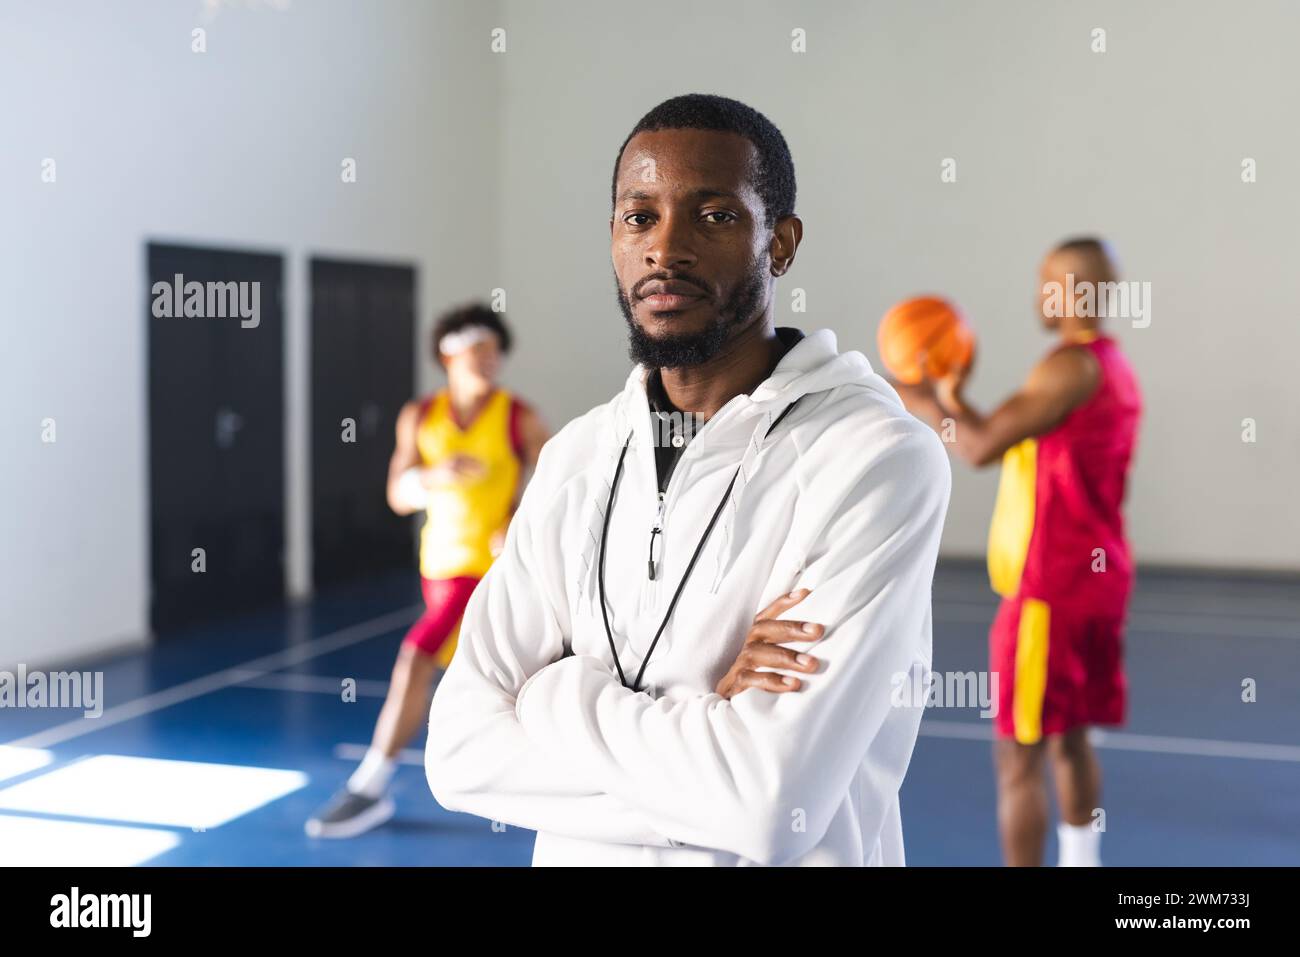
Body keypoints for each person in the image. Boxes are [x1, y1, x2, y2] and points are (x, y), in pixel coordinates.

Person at [424, 93, 951, 866]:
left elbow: (773, 802)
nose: (665, 248)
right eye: (640, 217)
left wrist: (554, 694)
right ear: (613, 235)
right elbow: (461, 752)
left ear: (782, 243)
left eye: (713, 216)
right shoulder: (576, 458)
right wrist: (709, 746)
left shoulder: (875, 458)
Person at [895, 238, 1142, 866]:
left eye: (1046, 281)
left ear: (1073, 291)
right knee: (1071, 736)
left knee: (1017, 759)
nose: (1038, 294)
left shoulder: (1066, 367)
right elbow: (996, 435)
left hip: (1048, 597)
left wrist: (910, 392)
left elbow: (975, 449)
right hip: (1094, 584)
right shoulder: (1108, 368)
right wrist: (950, 398)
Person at [307, 303, 548, 838]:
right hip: (438, 568)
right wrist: (434, 474)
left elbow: (559, 484)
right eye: (477, 349)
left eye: (494, 350)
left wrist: (517, 521)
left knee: (414, 658)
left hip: (489, 574)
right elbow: (397, 494)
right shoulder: (419, 416)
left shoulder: (518, 416)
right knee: (499, 680)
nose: (488, 360)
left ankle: (369, 785)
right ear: (448, 354)